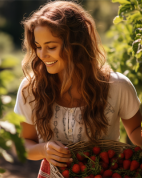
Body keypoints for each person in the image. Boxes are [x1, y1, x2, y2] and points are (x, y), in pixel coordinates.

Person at [14, 0, 142, 177]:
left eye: (51, 47)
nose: (42, 55)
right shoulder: (31, 89)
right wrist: (44, 149)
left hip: (103, 173)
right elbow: (23, 144)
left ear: (76, 46)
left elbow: (135, 131)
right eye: (38, 46)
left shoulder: (117, 87)